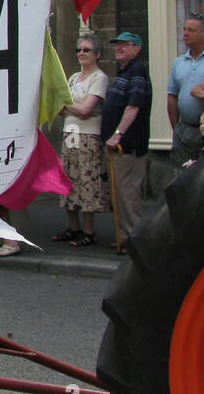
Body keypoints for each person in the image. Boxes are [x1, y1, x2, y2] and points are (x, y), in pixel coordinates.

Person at [53, 33, 111, 247]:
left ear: (97, 54)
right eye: (79, 50)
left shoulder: (99, 78)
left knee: (88, 180)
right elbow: (64, 109)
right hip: (71, 133)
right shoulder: (73, 77)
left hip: (89, 135)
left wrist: (67, 108)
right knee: (69, 178)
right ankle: (73, 227)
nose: (81, 53)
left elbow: (86, 110)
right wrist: (69, 109)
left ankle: (88, 230)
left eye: (86, 50)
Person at [102, 31, 152, 253]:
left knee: (128, 193)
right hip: (121, 145)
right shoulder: (125, 72)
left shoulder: (137, 70)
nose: (119, 48)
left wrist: (118, 133)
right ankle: (125, 237)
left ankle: (135, 240)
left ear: (137, 48)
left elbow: (134, 105)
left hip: (129, 143)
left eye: (125, 44)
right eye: (117, 45)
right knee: (120, 193)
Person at [165, 12, 204, 166]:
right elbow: (172, 96)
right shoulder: (179, 62)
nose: (186, 34)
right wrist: (176, 129)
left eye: (191, 30)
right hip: (185, 130)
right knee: (182, 174)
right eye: (184, 29)